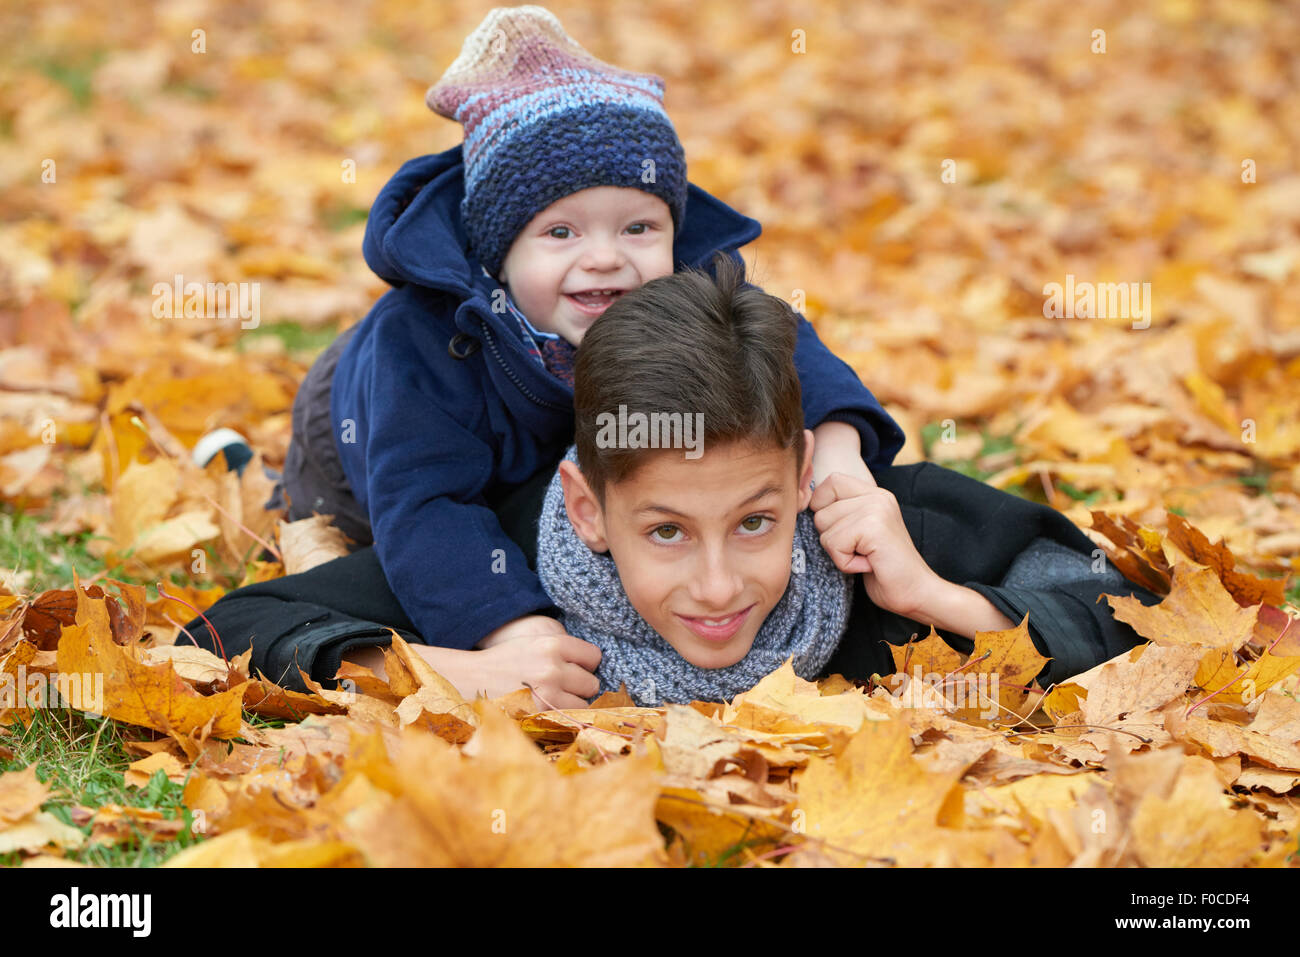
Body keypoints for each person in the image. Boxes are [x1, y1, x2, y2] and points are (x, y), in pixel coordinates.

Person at [199, 5, 905, 701]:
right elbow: (428, 502)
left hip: (570, 458)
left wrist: (840, 450)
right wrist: (506, 626)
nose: (606, 261)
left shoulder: (683, 282)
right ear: (501, 249)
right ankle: (242, 475)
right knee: (341, 536)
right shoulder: (424, 344)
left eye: (637, 226)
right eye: (560, 234)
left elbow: (785, 349)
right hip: (362, 445)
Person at [184, 253, 1161, 710]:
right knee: (315, 518)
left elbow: (1135, 611)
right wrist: (451, 668)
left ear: (801, 475)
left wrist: (944, 601)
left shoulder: (876, 538)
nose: (717, 587)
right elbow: (230, 629)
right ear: (589, 511)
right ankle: (250, 472)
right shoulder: (497, 567)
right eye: (664, 533)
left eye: (753, 523)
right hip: (351, 438)